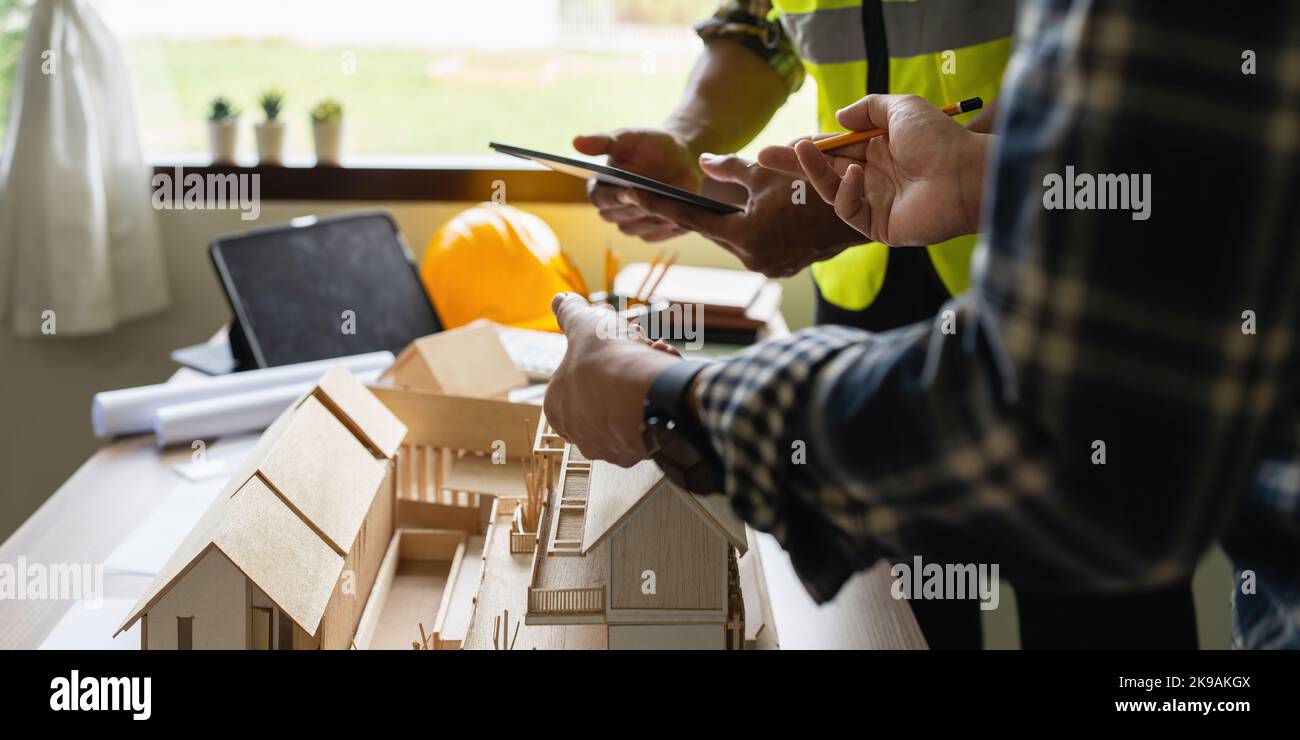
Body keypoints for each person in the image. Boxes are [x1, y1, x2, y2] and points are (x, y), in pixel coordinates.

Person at [545, 0, 1300, 649]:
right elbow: (762, 25)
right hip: (896, 248)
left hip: (1040, 263)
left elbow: (1055, 439)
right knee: (908, 603)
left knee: (1105, 601)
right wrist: (970, 174)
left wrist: (676, 400)